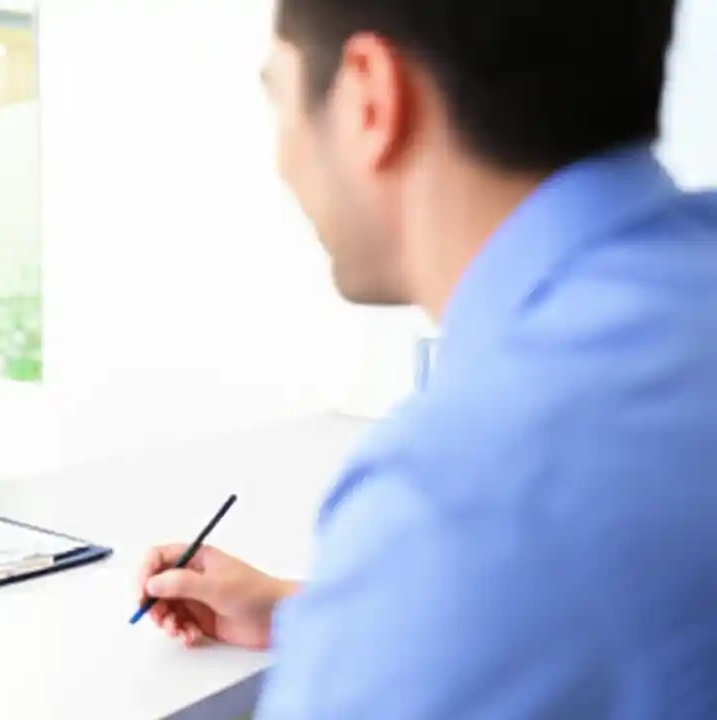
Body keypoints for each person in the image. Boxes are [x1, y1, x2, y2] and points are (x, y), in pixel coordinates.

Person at [138, 0, 717, 716]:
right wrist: (323, 614)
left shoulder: (460, 487)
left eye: (279, 97)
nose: (282, 159)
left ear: (368, 99)